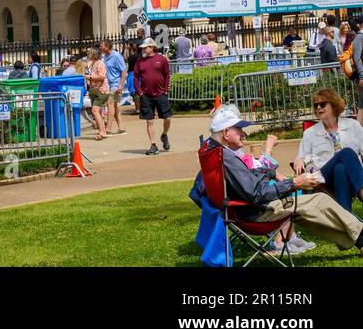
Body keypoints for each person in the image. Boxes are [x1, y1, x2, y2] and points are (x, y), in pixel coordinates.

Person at [192, 103, 363, 252]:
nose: (243, 133)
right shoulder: (228, 158)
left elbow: (251, 179)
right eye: (239, 129)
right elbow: (257, 193)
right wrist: (294, 183)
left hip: (243, 210)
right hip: (257, 212)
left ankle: (358, 240)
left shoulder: (218, 153)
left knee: (311, 210)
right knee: (319, 201)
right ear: (226, 132)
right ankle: (360, 237)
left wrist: (272, 174)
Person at [293, 88, 363, 214]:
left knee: (340, 169)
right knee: (346, 152)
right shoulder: (310, 133)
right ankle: (362, 192)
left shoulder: (353, 126)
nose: (319, 107)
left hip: (350, 177)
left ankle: (347, 223)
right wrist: (299, 159)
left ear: (334, 104)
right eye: (316, 105)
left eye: (323, 104)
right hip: (323, 178)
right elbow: (302, 158)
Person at [133, 38, 172, 154]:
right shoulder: (140, 61)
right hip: (146, 95)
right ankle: (153, 144)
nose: (143, 49)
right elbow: (135, 76)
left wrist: (165, 89)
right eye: (142, 48)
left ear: (152, 47)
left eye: (145, 47)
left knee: (167, 118)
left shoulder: (161, 59)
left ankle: (164, 135)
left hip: (161, 93)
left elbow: (167, 74)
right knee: (149, 121)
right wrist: (139, 92)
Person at [100, 39, 128, 134]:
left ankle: (108, 128)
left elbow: (124, 71)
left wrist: (120, 86)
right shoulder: (104, 57)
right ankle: (121, 127)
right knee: (114, 105)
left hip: (116, 83)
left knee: (110, 104)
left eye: (102, 46)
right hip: (108, 84)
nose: (100, 47)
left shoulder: (116, 56)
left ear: (107, 47)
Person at [84, 47, 109, 140]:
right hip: (94, 90)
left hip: (101, 90)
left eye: (89, 52)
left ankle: (102, 131)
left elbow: (102, 77)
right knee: (98, 112)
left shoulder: (99, 64)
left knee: (94, 111)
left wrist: (89, 78)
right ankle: (102, 131)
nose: (88, 54)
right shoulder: (92, 64)